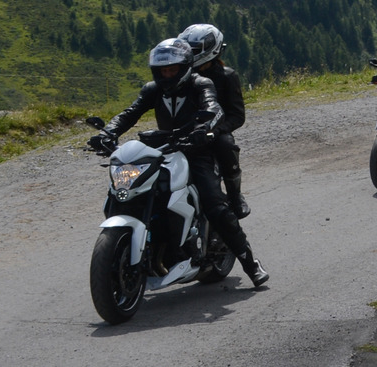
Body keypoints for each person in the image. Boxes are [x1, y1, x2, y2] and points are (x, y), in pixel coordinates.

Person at [89, 38, 269, 287]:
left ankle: (250, 263)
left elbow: (214, 108)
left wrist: (204, 129)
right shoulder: (153, 89)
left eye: (172, 69)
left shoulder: (201, 83)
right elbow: (130, 112)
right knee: (128, 191)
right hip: (163, 148)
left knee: (215, 205)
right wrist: (108, 133)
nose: (167, 74)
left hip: (197, 150)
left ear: (184, 67)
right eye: (163, 70)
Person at [177, 22, 248, 219]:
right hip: (184, 130)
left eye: (195, 50)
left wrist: (216, 130)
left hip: (214, 130)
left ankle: (235, 196)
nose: (190, 54)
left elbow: (237, 115)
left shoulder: (227, 76)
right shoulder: (181, 75)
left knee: (226, 145)